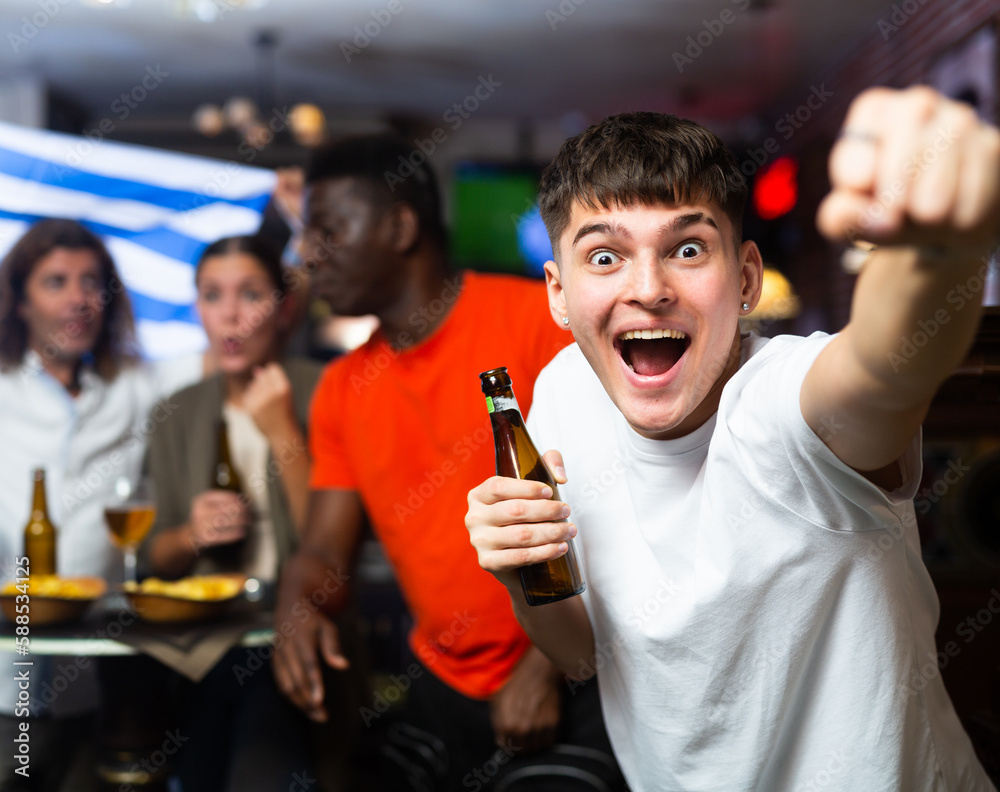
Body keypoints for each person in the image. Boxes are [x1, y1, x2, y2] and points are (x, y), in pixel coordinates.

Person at [465, 87, 1000, 791]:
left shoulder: (782, 402)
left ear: (745, 278)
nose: (648, 287)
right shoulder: (567, 389)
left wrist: (937, 252)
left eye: (688, 248)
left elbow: (882, 369)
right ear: (558, 295)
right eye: (604, 258)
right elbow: (583, 656)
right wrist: (524, 578)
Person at [272, 134, 624, 791]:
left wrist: (545, 666)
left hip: (570, 673)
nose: (305, 254)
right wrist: (298, 608)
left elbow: (623, 511)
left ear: (400, 226)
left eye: (326, 230)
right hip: (438, 688)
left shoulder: (535, 322)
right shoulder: (344, 387)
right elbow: (325, 551)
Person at [0, 219, 203, 791]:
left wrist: (291, 233)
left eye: (91, 282)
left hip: (102, 673)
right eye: (56, 281)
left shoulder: (135, 386)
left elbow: (233, 343)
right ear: (19, 301)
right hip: (4, 669)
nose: (78, 299)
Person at [140, 234, 323, 792]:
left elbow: (331, 541)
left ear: (283, 305)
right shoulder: (177, 412)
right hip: (203, 643)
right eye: (212, 296)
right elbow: (154, 560)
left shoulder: (323, 390)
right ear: (197, 308)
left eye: (251, 294)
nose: (230, 315)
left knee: (262, 762)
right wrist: (191, 535)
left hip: (293, 630)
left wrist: (283, 431)